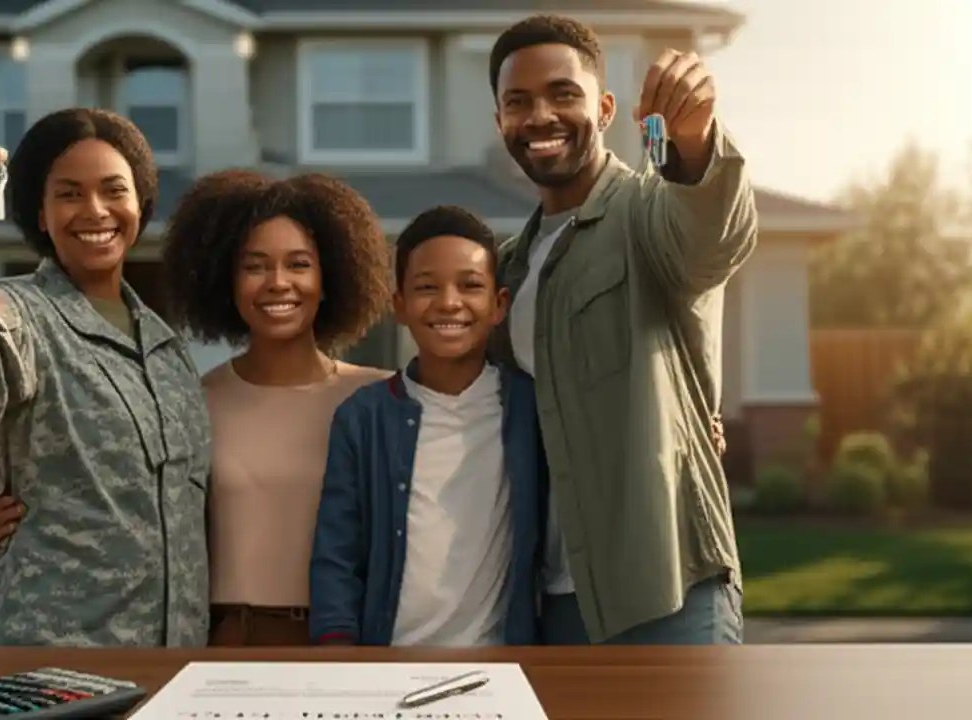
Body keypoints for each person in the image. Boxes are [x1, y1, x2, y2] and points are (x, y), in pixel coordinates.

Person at [0, 168, 393, 646]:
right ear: (226, 280)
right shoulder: (188, 402)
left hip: (348, 640)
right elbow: (120, 498)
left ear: (329, 278)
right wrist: (27, 515)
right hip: (224, 642)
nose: (278, 282)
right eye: (254, 266)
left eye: (299, 264)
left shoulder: (377, 402)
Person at [0, 109, 212, 647]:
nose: (95, 210)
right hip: (42, 667)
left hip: (164, 673)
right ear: (39, 213)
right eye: (69, 194)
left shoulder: (166, 348)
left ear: (140, 204)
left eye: (114, 190)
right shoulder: (18, 316)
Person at [486, 15, 757, 645]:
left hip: (667, 593)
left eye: (563, 94)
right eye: (517, 102)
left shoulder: (647, 212)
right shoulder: (506, 267)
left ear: (605, 107)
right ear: (500, 120)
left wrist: (693, 142)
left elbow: (713, 237)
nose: (541, 116)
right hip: (547, 601)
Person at [309, 205, 550, 647]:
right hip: (388, 662)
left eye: (470, 285)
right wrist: (337, 655)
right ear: (399, 305)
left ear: (499, 305)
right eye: (426, 287)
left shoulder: (530, 409)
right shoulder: (362, 419)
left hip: (499, 668)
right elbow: (337, 555)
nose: (449, 302)